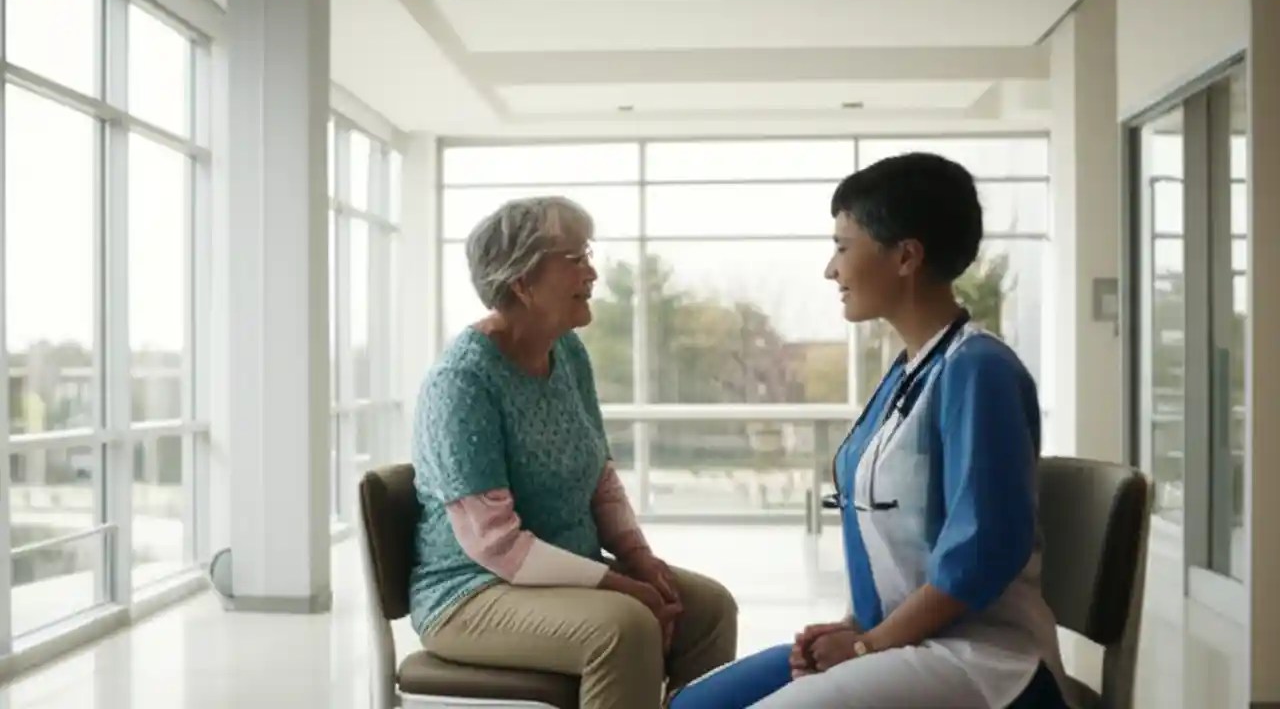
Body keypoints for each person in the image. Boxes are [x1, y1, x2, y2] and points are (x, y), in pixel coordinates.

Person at [669, 153, 1071, 709]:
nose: (830, 270)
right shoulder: (912, 370)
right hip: (906, 641)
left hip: (985, 659)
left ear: (905, 256)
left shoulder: (980, 369)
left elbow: (983, 553)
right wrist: (849, 628)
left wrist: (865, 645)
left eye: (841, 246)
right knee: (693, 706)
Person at [408, 196, 738, 709]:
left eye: (589, 255)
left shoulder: (567, 352)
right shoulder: (463, 380)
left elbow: (599, 475)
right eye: (575, 259)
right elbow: (496, 546)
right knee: (624, 627)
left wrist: (638, 560)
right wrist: (618, 586)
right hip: (470, 592)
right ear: (521, 281)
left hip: (562, 575)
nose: (592, 272)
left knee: (709, 607)